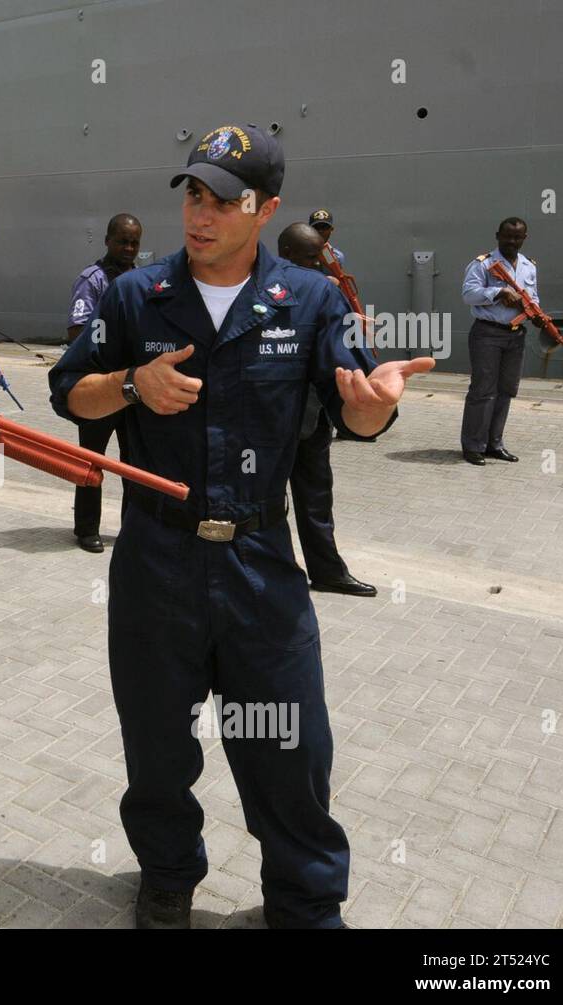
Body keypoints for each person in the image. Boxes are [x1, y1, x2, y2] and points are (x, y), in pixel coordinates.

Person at [49, 124, 433, 930]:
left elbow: (355, 404)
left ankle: (302, 897)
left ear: (266, 210)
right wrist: (130, 384)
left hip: (261, 558)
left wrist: (372, 410)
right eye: (194, 193)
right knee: (157, 744)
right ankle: (167, 875)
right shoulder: (135, 295)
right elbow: (70, 393)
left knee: (291, 745)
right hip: (157, 557)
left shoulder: (313, 297)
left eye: (226, 200)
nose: (203, 213)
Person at [277, 223, 376, 597]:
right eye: (309, 258)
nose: (318, 266)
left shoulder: (322, 293)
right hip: (276, 422)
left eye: (321, 258)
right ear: (285, 253)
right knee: (270, 504)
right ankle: (277, 571)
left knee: (317, 499)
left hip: (314, 418)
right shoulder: (266, 294)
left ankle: (327, 571)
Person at [65, 213, 142, 553]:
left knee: (134, 462)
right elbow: (77, 330)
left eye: (134, 242)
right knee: (91, 460)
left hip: (134, 388)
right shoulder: (92, 280)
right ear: (108, 240)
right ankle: (86, 528)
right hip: (99, 386)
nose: (128, 248)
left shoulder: (141, 279)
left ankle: (133, 529)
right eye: (122, 241)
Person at [459, 217, 536, 466]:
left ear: (525, 238)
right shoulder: (483, 264)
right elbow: (468, 294)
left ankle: (494, 444)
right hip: (488, 333)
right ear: (497, 235)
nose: (512, 241)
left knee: (506, 391)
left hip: (515, 335)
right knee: (482, 391)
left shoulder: (528, 266)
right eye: (507, 236)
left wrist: (536, 314)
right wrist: (498, 292)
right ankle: (473, 446)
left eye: (517, 237)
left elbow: (532, 297)